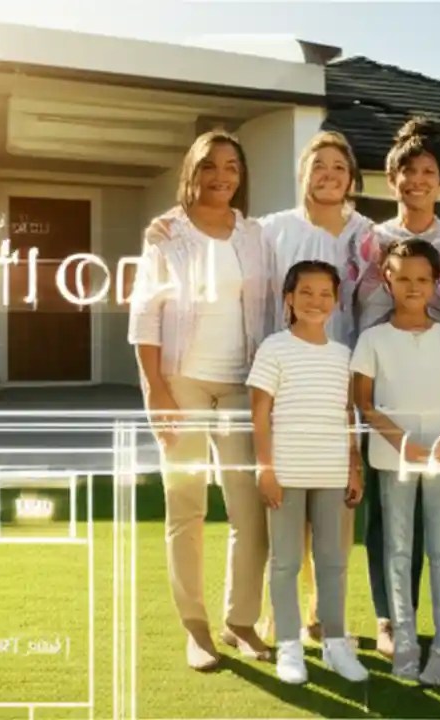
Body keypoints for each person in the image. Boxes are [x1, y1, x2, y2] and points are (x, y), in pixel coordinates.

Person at [147, 130, 383, 645]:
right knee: (255, 507)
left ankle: (305, 619)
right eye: (318, 165)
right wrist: (154, 391)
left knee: (306, 509)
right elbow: (159, 296)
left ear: (352, 179)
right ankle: (253, 622)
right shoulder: (264, 230)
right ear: (302, 174)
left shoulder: (363, 236)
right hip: (262, 380)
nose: (328, 175)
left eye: (339, 168)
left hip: (320, 382)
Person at [127, 129, 276, 671]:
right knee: (186, 505)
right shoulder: (166, 235)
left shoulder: (258, 236)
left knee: (249, 506)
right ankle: (197, 628)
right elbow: (144, 314)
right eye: (210, 165)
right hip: (181, 380)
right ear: (192, 170)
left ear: (242, 175)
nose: (221, 176)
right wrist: (155, 389)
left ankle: (241, 621)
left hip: (242, 383)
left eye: (232, 166)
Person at [359, 117, 440, 658]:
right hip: (379, 394)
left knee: (431, 519)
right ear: (391, 178)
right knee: (386, 515)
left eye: (427, 172)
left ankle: (428, 623)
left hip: (438, 398)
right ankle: (389, 618)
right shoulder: (371, 239)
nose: (416, 181)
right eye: (406, 171)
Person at [351, 238, 440, 686]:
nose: (413, 286)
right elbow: (364, 402)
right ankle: (404, 640)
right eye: (403, 277)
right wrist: (400, 441)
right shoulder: (372, 339)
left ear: (436, 281)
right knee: (398, 549)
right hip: (392, 454)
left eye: (422, 278)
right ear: (388, 278)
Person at [247, 259, 370, 685]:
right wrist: (265, 468)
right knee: (285, 562)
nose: (315, 301)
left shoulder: (342, 356)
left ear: (336, 301)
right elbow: (260, 415)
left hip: (332, 473)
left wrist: (354, 469)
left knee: (333, 561)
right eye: (306, 293)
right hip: (286, 471)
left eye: (325, 294)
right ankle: (288, 647)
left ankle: (335, 644)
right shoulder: (274, 348)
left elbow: (346, 415)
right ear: (289, 299)